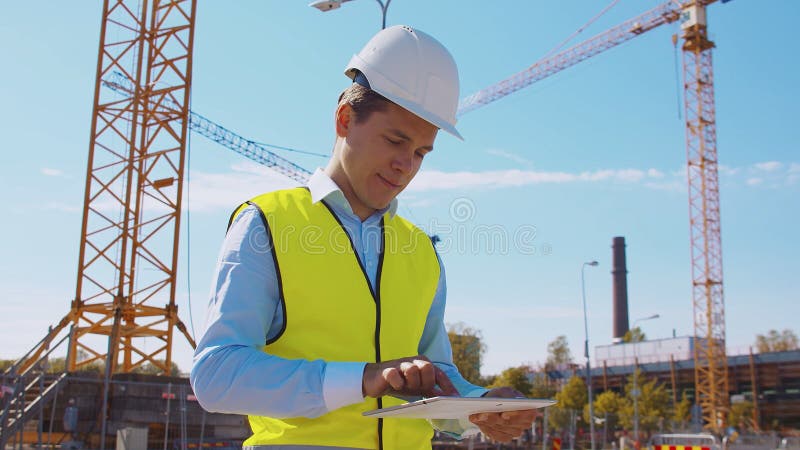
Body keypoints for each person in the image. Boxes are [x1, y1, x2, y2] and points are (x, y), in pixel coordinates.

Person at [190, 25, 538, 449]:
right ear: (344, 119)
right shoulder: (266, 223)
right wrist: (365, 378)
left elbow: (438, 383)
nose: (405, 166)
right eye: (395, 141)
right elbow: (216, 376)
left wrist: (479, 407)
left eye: (420, 154)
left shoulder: (420, 251)